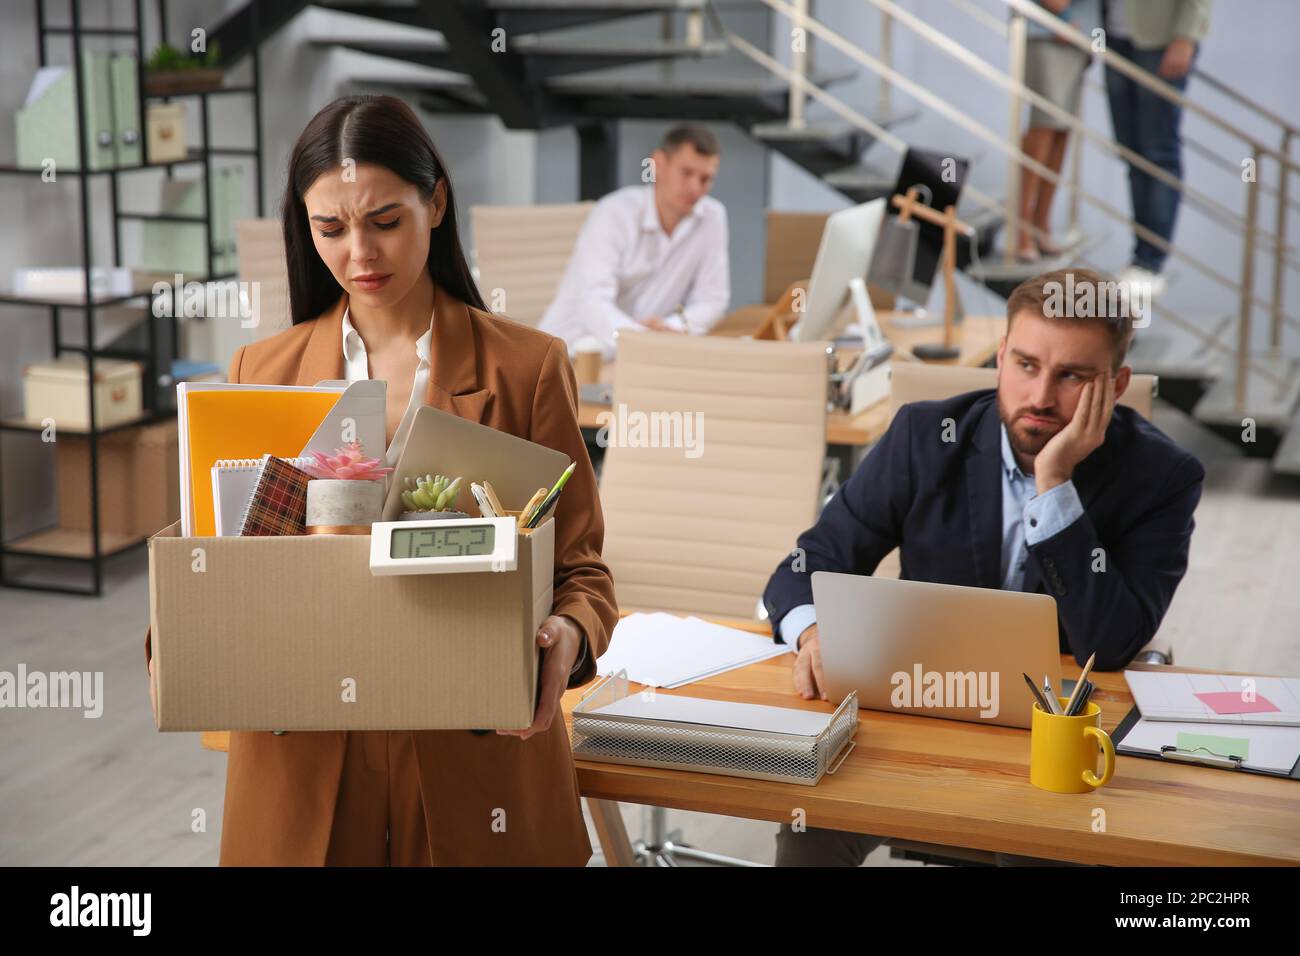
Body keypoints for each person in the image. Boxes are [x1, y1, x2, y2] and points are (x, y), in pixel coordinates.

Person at [145, 94, 618, 866]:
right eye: (329, 229)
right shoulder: (257, 373)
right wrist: (180, 636)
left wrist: (569, 633)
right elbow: (211, 562)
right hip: (305, 751)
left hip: (474, 745)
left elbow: (583, 570)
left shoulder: (529, 367)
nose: (359, 253)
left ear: (436, 202)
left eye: (385, 221)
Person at [762, 267, 1204, 866]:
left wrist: (1055, 484)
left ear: (1116, 384)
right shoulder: (925, 437)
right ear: (1000, 357)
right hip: (919, 718)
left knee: (1036, 847)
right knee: (808, 825)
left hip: (1052, 744)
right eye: (1025, 365)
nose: (1041, 397)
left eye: (1071, 376)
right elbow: (803, 566)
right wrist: (814, 634)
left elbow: (1113, 641)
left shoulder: (1163, 478)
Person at [539, 125, 729, 360]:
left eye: (705, 179)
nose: (695, 188)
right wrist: (643, 339)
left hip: (638, 358)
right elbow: (592, 301)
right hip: (569, 356)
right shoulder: (613, 213)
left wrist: (671, 327)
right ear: (658, 163)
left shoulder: (712, 217)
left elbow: (712, 300)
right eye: (686, 173)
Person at [1103, 0, 1212, 297]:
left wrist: (1187, 36)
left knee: (1158, 152)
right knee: (1132, 153)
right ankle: (1142, 256)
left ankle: (1150, 261)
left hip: (1161, 38)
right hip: (1112, 35)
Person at [1015, 0, 1101, 262]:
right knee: (1045, 123)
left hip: (1080, 32)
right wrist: (1061, 13)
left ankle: (1041, 224)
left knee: (1062, 129)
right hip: (1048, 28)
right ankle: (1022, 226)